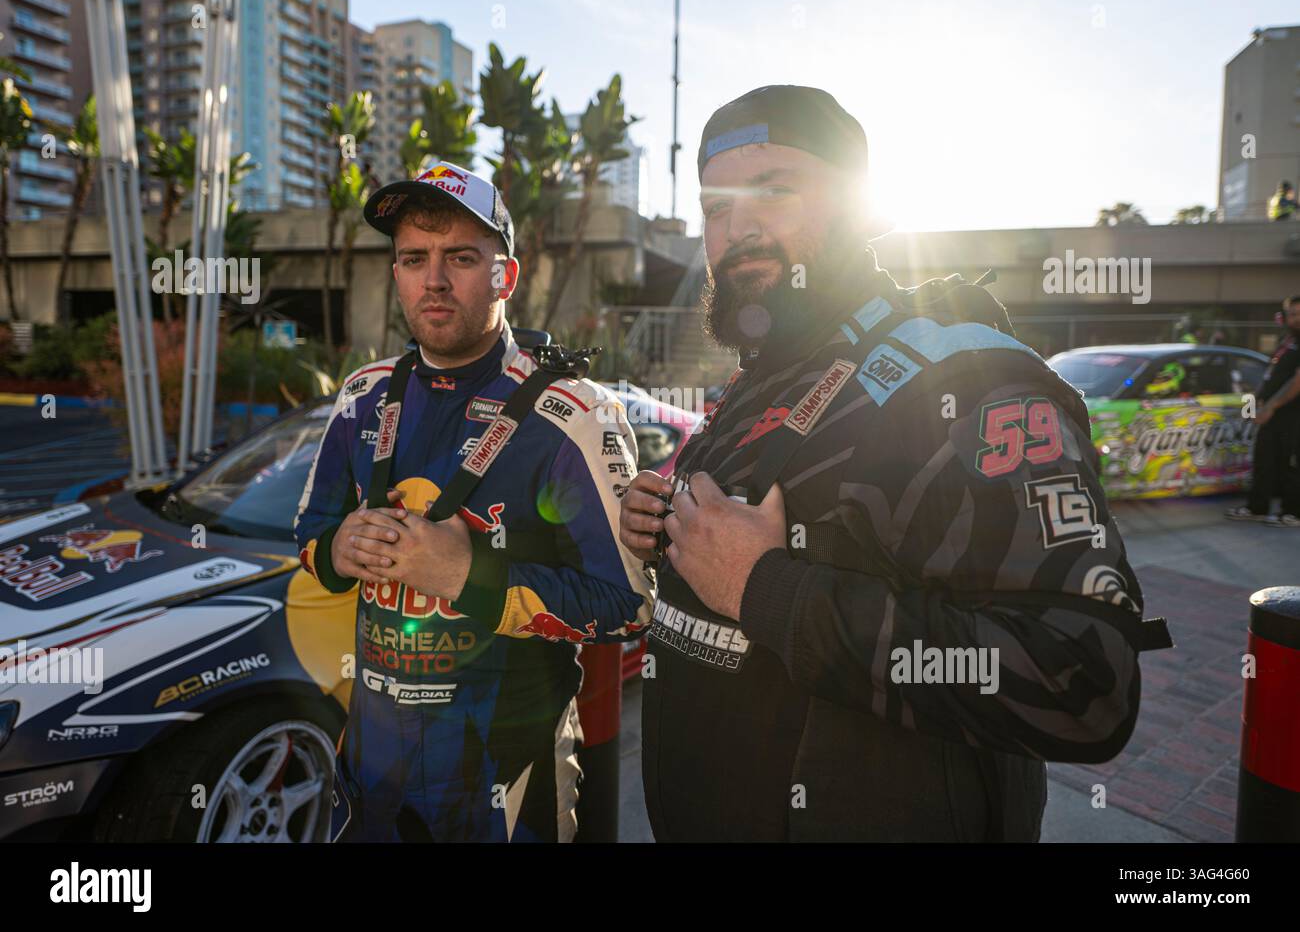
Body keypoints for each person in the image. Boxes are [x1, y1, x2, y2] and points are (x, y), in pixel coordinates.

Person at [619, 85, 1171, 841]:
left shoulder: (968, 380)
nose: (738, 229)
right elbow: (735, 552)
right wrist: (671, 530)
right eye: (716, 208)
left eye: (774, 191)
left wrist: (767, 586)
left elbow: (1082, 682)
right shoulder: (763, 375)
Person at [294, 160, 654, 842]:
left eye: (460, 256)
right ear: (396, 272)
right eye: (413, 258)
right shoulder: (363, 395)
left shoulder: (577, 415)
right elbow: (309, 531)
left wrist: (469, 574)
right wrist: (339, 548)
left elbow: (627, 608)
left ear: (505, 277)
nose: (433, 279)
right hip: (372, 764)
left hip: (506, 777)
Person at [1226, 294, 1300, 527]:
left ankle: (1293, 512)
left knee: (1291, 464)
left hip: (1292, 414)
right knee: (1263, 460)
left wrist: (1271, 406)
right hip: (1272, 412)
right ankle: (1257, 508)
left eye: (1299, 314)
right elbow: (1271, 377)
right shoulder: (1288, 340)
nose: (1295, 319)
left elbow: (1297, 381)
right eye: (1291, 314)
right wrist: (1255, 403)